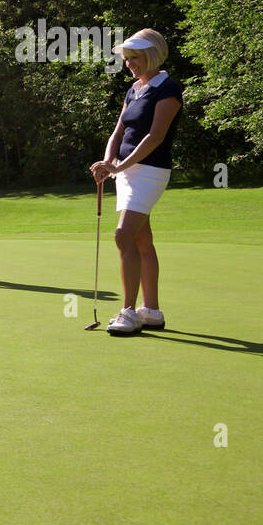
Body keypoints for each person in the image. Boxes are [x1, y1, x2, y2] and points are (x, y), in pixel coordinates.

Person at [90, 29, 182, 336]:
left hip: (150, 171)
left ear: (152, 55)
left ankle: (127, 312)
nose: (129, 63)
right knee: (142, 241)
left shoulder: (168, 89)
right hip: (126, 173)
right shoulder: (134, 89)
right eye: (127, 58)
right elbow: (118, 132)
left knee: (122, 236)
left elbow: (154, 137)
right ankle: (151, 311)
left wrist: (118, 167)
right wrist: (108, 162)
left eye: (135, 57)